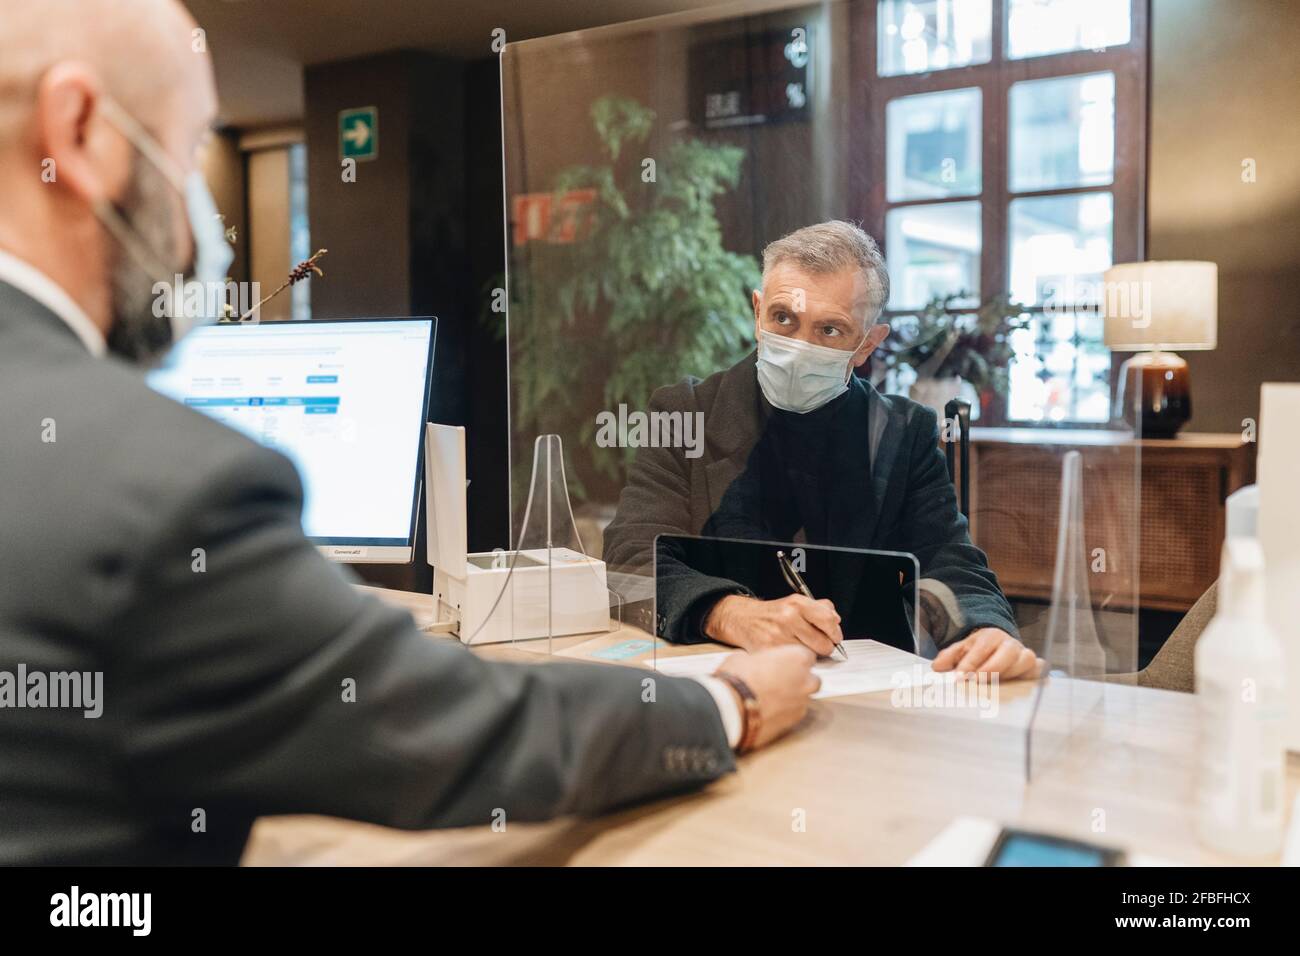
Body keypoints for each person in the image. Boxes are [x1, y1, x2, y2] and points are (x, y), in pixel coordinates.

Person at [0, 0, 820, 865]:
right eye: (186, 145)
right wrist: (731, 704)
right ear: (81, 130)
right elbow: (453, 735)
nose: (202, 217)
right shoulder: (164, 490)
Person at [604, 221, 1040, 680]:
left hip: (864, 695)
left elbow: (949, 563)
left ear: (866, 345)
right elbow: (630, 558)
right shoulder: (683, 413)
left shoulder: (903, 433)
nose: (797, 348)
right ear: (757, 313)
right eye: (783, 318)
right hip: (718, 687)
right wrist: (729, 613)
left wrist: (986, 632)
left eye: (830, 330)